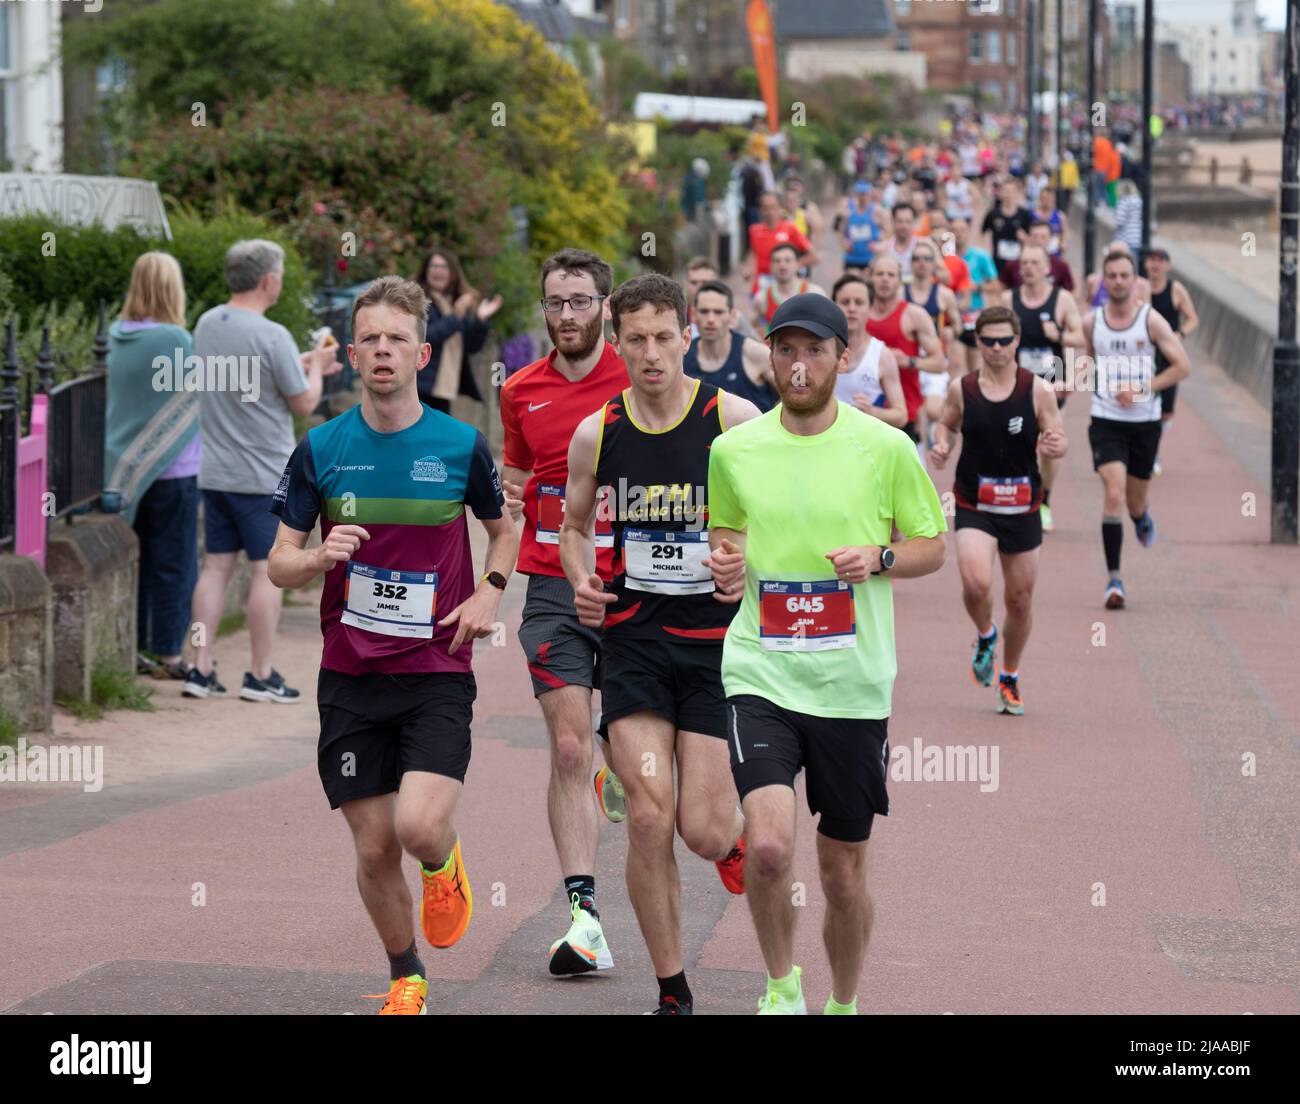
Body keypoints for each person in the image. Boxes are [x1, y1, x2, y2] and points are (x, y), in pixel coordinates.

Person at [267, 275, 517, 1015]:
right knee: (374, 846)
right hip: (350, 674)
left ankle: (444, 864)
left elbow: (505, 526)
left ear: (421, 353)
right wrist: (316, 558)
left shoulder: (460, 444)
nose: (383, 351)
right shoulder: (322, 449)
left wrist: (489, 592)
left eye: (397, 340)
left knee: (416, 827)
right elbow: (279, 559)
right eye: (370, 339)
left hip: (437, 668)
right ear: (350, 354)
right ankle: (407, 975)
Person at [706, 292, 947, 1015]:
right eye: (786, 349)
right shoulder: (733, 449)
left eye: (815, 350)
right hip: (761, 670)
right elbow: (727, 537)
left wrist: (877, 557)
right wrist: (724, 566)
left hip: (851, 683)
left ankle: (842, 1003)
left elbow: (930, 547)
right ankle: (782, 986)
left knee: (842, 875)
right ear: (770, 356)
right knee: (772, 848)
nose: (799, 364)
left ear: (844, 357)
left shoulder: (886, 449)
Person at [560, 274, 757, 1015]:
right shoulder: (597, 431)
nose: (650, 354)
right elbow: (574, 529)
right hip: (636, 643)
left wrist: (746, 560)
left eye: (663, 338)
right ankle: (673, 991)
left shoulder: (732, 419)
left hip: (713, 647)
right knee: (647, 816)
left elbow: (777, 517)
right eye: (635, 340)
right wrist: (581, 578)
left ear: (688, 338)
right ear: (617, 342)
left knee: (703, 830)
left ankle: (730, 838)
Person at [499, 249, 631, 975]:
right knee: (569, 747)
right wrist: (512, 491)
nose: (568, 315)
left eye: (581, 301)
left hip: (633, 585)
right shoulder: (520, 389)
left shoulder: (639, 380)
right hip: (551, 583)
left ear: (605, 307)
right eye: (556, 302)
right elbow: (517, 470)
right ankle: (585, 919)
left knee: (642, 755)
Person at [185, 239, 339, 702]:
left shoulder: (208, 323)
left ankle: (199, 667)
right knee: (265, 571)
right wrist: (316, 369)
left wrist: (302, 365)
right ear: (269, 279)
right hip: (261, 474)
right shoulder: (272, 335)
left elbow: (248, 375)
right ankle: (260, 673)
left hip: (215, 469)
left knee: (214, 569)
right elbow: (305, 402)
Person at [931, 305, 1067, 715]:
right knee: (976, 585)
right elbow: (946, 423)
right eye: (987, 341)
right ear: (978, 342)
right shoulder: (963, 388)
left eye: (1004, 340)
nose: (996, 348)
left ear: (1016, 342)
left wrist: (1056, 445)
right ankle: (986, 634)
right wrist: (942, 444)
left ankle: (1009, 674)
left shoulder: (1037, 390)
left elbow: (1056, 433)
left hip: (1023, 506)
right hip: (976, 501)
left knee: (1020, 600)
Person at [105, 252, 200, 682]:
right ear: (171, 288)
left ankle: (135, 646)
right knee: (174, 564)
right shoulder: (174, 339)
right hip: (173, 469)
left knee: (138, 562)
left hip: (126, 468)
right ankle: (167, 653)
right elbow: (197, 397)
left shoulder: (116, 335)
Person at [1081, 251, 1190, 609]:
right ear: (1104, 280)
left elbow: (1181, 367)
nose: (1117, 281)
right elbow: (1086, 365)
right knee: (1113, 493)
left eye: (1124, 275)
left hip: (1144, 422)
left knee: (1133, 500)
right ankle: (1114, 580)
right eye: (1111, 275)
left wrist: (1144, 389)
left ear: (1135, 280)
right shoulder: (1091, 322)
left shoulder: (1151, 321)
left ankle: (1141, 516)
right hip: (1106, 420)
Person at [1002, 244, 1084, 533]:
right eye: (1024, 263)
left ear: (1047, 268)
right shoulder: (1008, 299)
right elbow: (992, 339)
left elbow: (1079, 338)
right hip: (1017, 384)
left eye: (1035, 263)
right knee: (1016, 444)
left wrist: (1060, 338)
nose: (1028, 268)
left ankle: (1045, 501)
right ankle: (1019, 499)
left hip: (1051, 384)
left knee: (1049, 446)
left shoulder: (1061, 300)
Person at [865, 255, 946, 445]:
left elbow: (940, 363)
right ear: (870, 278)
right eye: (880, 274)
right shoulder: (856, 314)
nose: (885, 279)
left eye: (891, 275)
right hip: (864, 410)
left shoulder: (914, 314)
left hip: (904, 410)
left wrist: (909, 361)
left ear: (899, 281)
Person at [413, 247, 501, 414]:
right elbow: (424, 337)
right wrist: (455, 316)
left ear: (453, 273)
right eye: (434, 266)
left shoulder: (455, 303)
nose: (438, 271)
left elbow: (471, 347)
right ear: (425, 271)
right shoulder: (417, 300)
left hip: (443, 390)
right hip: (419, 388)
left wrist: (481, 321)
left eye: (444, 267)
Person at [1144, 247, 1199, 475]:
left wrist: (1180, 335)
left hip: (1169, 357)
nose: (1155, 266)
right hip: (1145, 355)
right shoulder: (1140, 288)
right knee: (1144, 402)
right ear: (1146, 264)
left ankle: (1153, 446)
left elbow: (1192, 318)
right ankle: (1146, 450)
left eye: (1160, 261)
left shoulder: (1175, 290)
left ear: (1168, 266)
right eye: (1152, 261)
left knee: (1165, 412)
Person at [687, 280, 779, 412]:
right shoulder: (682, 358)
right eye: (704, 311)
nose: (711, 319)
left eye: (718, 312)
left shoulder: (756, 354)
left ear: (732, 316)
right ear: (694, 315)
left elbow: (794, 398)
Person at [831, 272, 908, 429]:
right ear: (834, 306)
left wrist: (871, 411)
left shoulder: (882, 355)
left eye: (859, 302)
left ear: (870, 308)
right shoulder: (819, 349)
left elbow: (901, 415)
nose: (851, 309)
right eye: (845, 302)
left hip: (862, 443)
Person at [905, 240, 962, 427]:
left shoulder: (944, 294)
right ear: (911, 263)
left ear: (933, 264)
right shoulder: (900, 292)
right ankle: (922, 449)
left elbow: (958, 325)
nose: (922, 262)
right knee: (911, 413)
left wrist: (951, 332)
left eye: (927, 258)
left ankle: (940, 441)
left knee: (933, 411)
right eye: (917, 258)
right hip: (906, 360)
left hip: (934, 359)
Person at [952, 215, 999, 374]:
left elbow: (995, 285)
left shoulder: (981, 256)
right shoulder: (945, 258)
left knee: (974, 364)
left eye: (962, 230)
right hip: (952, 314)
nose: (958, 234)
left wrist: (975, 287)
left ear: (969, 232)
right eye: (954, 231)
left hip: (973, 314)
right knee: (955, 363)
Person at [744, 192, 814, 296]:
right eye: (765, 208)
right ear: (760, 210)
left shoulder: (790, 229)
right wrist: (748, 268)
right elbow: (753, 252)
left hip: (785, 285)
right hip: (762, 285)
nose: (770, 212)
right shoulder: (754, 230)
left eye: (773, 207)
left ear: (780, 208)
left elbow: (813, 256)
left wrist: (791, 266)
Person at [753, 243, 826, 329]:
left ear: (798, 264)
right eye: (777, 261)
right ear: (771, 266)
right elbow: (755, 328)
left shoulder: (815, 293)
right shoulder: (761, 298)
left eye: (788, 260)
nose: (782, 265)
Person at [981, 177, 1033, 285]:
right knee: (998, 290)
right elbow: (982, 234)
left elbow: (1033, 240)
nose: (1008, 195)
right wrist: (985, 252)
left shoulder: (1024, 214)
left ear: (1017, 193)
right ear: (1000, 193)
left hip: (1018, 261)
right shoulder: (993, 214)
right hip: (998, 261)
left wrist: (1025, 238)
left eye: (1012, 191)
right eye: (1006, 191)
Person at [1002, 221, 1076, 292]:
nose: (1039, 240)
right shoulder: (1012, 265)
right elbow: (1002, 290)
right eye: (1035, 236)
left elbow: (1071, 292)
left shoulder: (1061, 266)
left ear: (1050, 239)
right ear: (1029, 237)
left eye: (1043, 237)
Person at [843, 181, 883, 271]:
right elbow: (841, 233)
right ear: (856, 194)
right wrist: (845, 244)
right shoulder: (848, 212)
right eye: (860, 193)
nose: (862, 196)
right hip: (851, 257)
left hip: (870, 258)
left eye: (865, 193)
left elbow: (889, 232)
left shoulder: (877, 211)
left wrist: (879, 245)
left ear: (870, 194)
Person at [877, 202, 918, 281]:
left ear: (914, 223)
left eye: (908, 221)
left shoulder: (923, 247)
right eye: (900, 221)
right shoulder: (883, 248)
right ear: (893, 221)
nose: (904, 226)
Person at [684, 256, 719, 339]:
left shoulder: (731, 318)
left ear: (717, 284)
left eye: (705, 282)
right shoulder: (677, 317)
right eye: (694, 282)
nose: (699, 288)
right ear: (686, 284)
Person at [1035, 187, 1068, 257]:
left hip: (1054, 253)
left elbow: (1064, 231)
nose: (1047, 201)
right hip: (1037, 252)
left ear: (1054, 200)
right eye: (1045, 198)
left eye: (1050, 199)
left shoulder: (1060, 216)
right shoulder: (1033, 215)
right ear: (1040, 199)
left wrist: (1063, 242)